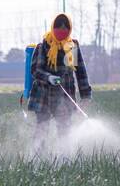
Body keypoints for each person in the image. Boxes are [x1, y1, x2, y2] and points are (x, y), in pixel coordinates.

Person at [29, 13, 91, 143]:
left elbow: (81, 72)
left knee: (65, 130)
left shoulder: (72, 47)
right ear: (53, 27)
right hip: (43, 96)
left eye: (65, 27)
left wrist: (86, 95)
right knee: (42, 129)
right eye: (59, 26)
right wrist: (49, 77)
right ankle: (36, 157)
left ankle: (64, 157)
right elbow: (35, 70)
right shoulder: (43, 46)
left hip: (65, 96)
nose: (62, 30)